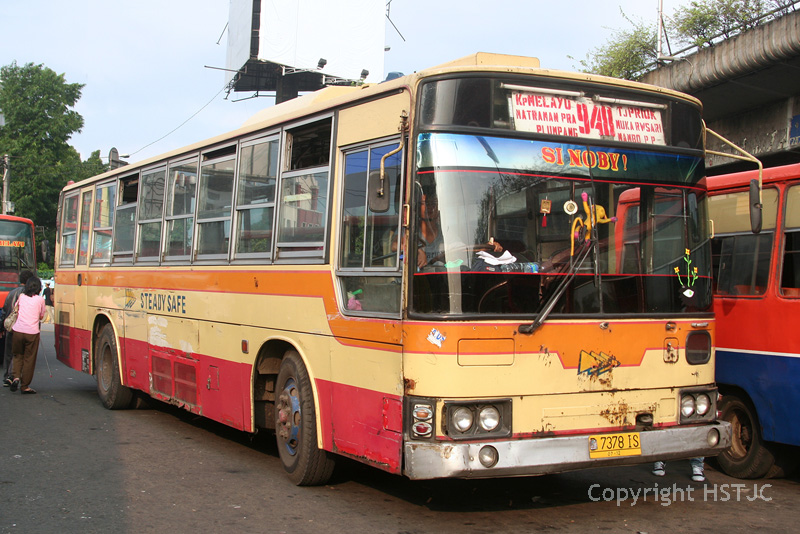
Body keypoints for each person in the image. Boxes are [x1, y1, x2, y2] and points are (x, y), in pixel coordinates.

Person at [8, 276, 46, 394]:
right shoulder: (40, 300)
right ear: (39, 288)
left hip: (18, 331)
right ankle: (25, 386)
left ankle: (16, 377)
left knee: (18, 355)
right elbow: (41, 315)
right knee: (29, 359)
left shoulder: (22, 297)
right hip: (32, 333)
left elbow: (16, 309)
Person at [2, 269, 34, 387]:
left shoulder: (11, 293)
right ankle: (14, 376)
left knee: (9, 352)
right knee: (20, 354)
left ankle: (7, 376)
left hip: (10, 326)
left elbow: (5, 310)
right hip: (23, 327)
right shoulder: (28, 294)